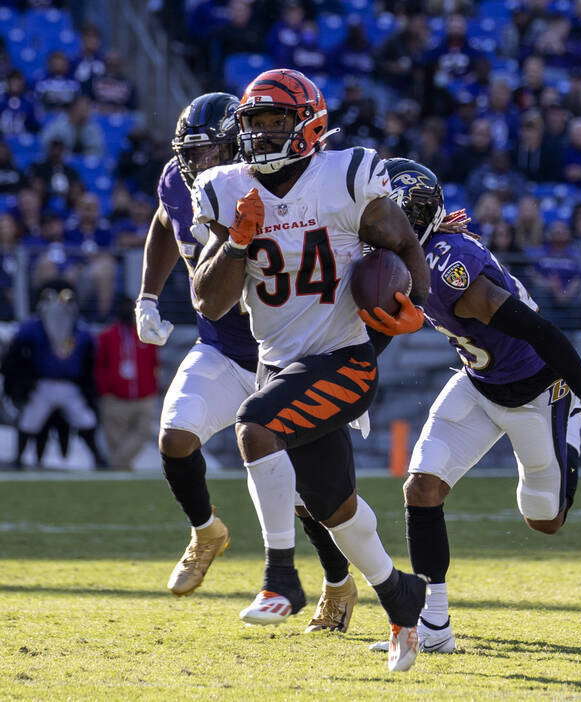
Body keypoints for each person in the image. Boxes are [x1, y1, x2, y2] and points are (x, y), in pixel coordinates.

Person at [190, 69, 431, 672]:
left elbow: (404, 246)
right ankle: (401, 595)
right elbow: (208, 302)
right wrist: (237, 243)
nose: (264, 134)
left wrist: (411, 307)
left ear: (309, 125)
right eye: (254, 123)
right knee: (334, 505)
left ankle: (280, 578)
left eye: (277, 122)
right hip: (280, 365)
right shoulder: (224, 189)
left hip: (343, 358)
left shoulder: (344, 177)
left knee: (254, 426)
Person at [367, 158, 581, 654]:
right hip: (478, 383)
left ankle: (566, 430)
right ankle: (433, 627)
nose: (376, 227)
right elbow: (383, 328)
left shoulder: (450, 265)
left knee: (544, 519)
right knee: (421, 487)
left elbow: (541, 331)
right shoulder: (399, 263)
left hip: (536, 390)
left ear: (413, 219)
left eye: (386, 216)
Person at [137, 91, 360, 635]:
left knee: (313, 496)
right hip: (223, 347)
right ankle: (206, 530)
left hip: (289, 356)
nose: (197, 165)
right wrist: (148, 294)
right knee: (174, 437)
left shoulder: (278, 183)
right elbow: (167, 220)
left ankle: (337, 582)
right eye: (189, 153)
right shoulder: (180, 178)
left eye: (209, 152)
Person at [2, 280, 107, 469]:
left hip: (69, 384)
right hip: (43, 384)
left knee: (86, 419)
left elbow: (89, 355)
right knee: (29, 421)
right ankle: (18, 458)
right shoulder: (33, 327)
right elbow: (17, 354)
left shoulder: (79, 329)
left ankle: (98, 457)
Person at [95, 296, 158, 469]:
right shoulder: (107, 336)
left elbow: (154, 362)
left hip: (144, 396)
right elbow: (100, 365)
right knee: (115, 438)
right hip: (115, 398)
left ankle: (116, 465)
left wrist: (152, 386)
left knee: (144, 432)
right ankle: (122, 470)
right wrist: (106, 390)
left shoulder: (145, 335)